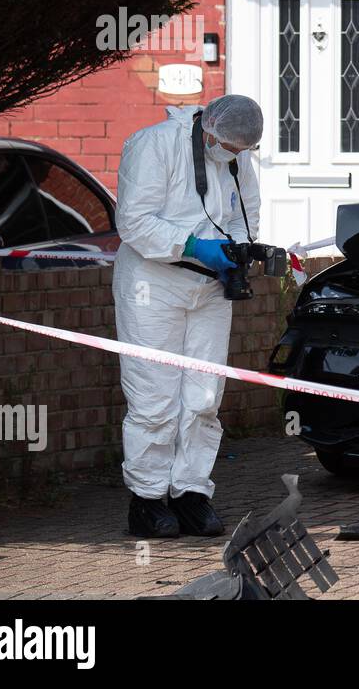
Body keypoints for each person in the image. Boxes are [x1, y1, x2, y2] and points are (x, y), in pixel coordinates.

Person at [112, 95, 263, 538]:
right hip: (153, 283)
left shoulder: (235, 155)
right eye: (229, 148)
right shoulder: (154, 145)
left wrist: (237, 252)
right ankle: (147, 499)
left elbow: (245, 214)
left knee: (203, 397)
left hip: (209, 286)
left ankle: (191, 492)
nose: (234, 158)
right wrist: (194, 246)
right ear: (209, 130)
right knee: (153, 396)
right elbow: (134, 222)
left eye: (241, 152)